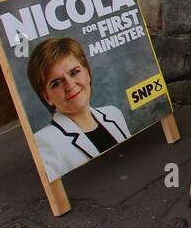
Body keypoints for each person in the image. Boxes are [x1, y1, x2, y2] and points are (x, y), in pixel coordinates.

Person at [27, 37, 132, 181]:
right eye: (57, 83)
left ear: (87, 73)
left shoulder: (113, 114)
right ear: (47, 97)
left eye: (74, 72)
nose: (70, 85)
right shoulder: (44, 142)